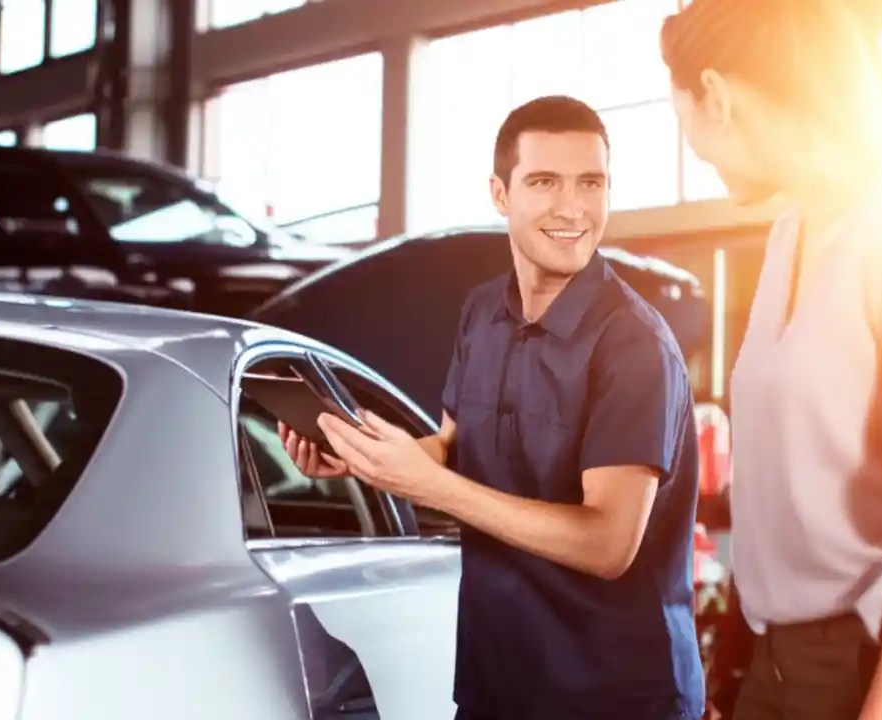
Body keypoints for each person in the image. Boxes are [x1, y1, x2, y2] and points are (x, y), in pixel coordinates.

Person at [280, 95, 705, 719]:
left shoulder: (634, 346)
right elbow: (454, 449)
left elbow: (608, 544)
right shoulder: (482, 313)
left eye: (591, 183)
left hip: (613, 698)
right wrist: (362, 457)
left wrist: (432, 487)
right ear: (500, 195)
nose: (572, 207)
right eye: (544, 182)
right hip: (497, 685)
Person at [660, 1, 882, 719]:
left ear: (717, 96)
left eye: (682, 113)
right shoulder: (790, 234)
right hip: (779, 666)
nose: (691, 141)